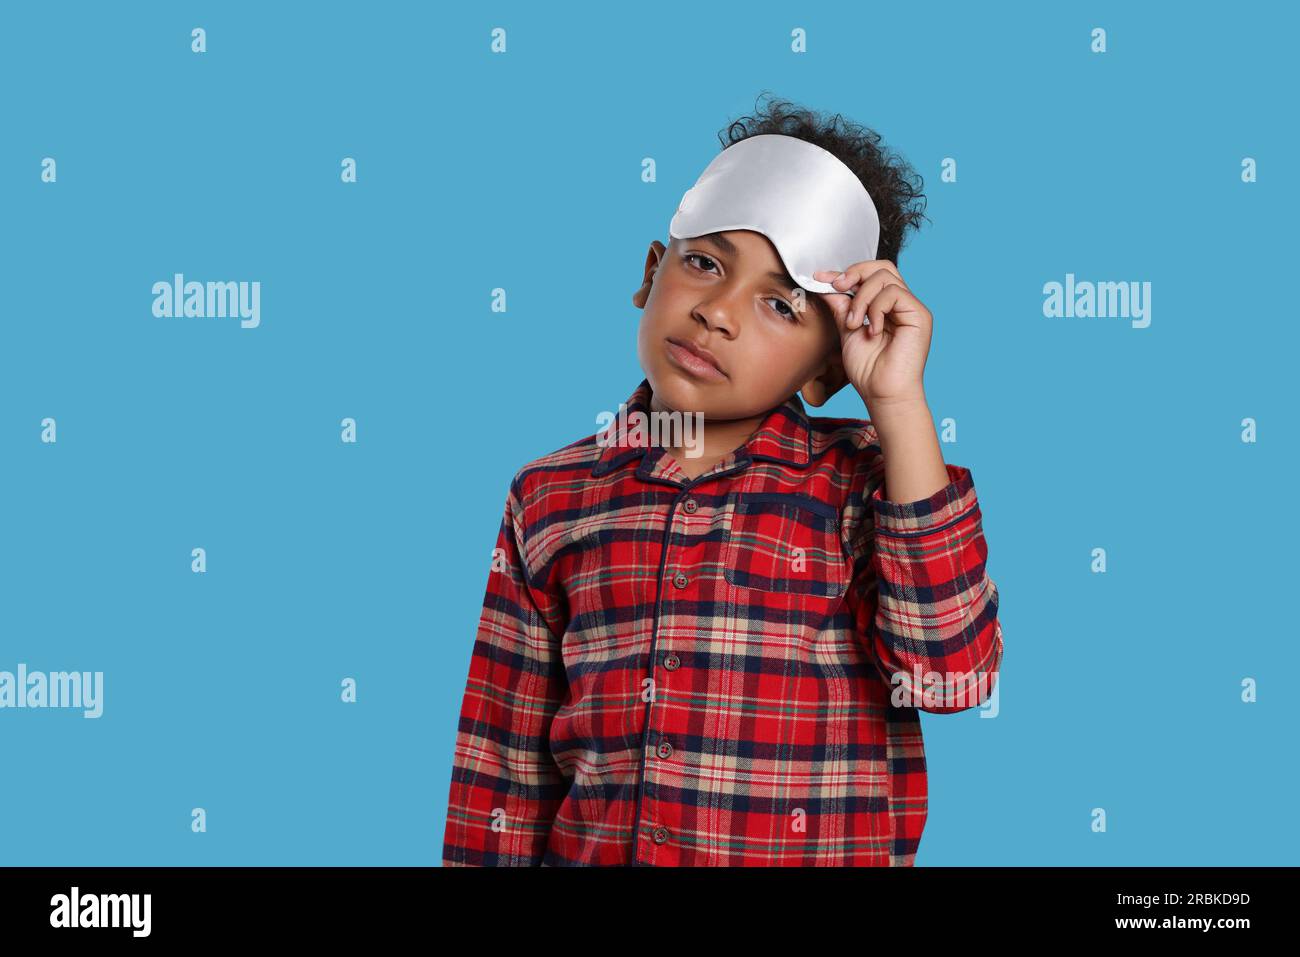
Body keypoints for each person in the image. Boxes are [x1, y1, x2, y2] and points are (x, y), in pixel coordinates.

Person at [442, 94, 1004, 866]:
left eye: (780, 303)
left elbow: (951, 676)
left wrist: (899, 401)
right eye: (704, 262)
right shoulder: (549, 496)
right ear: (650, 272)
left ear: (828, 367)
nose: (718, 313)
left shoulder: (868, 491)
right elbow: (500, 762)